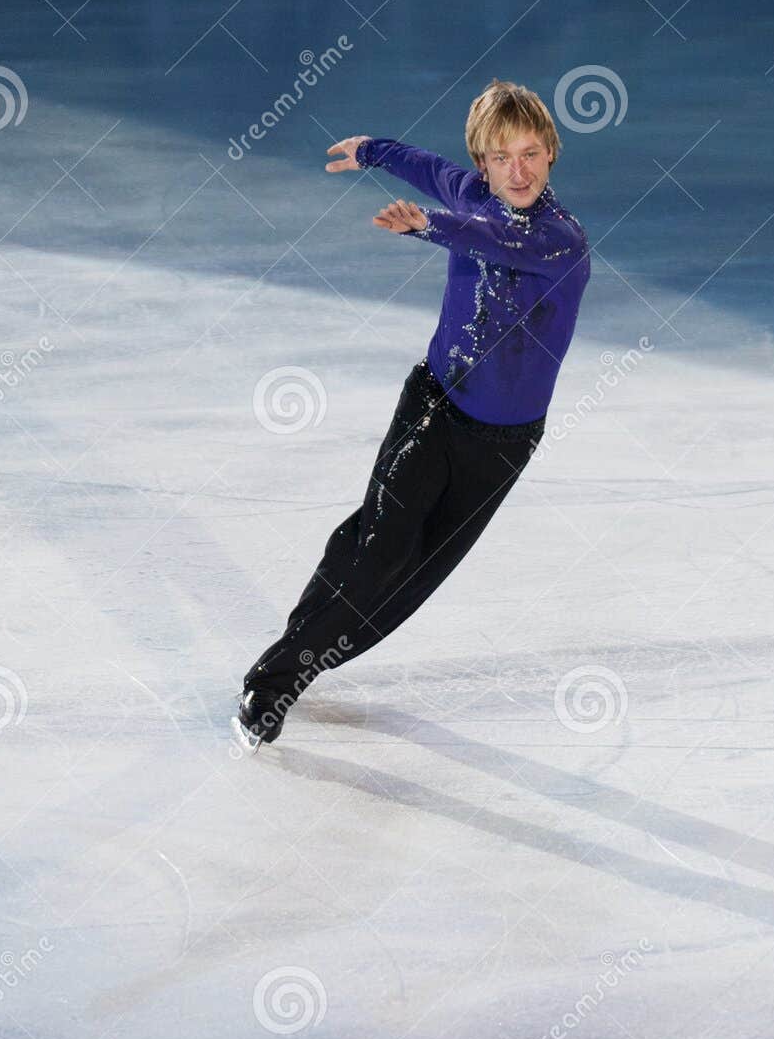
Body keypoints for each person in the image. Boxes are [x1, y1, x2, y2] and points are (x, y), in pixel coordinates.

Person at [234, 78, 591, 752]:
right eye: (499, 157)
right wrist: (373, 150)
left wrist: (428, 225)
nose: (516, 171)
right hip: (432, 406)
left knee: (407, 579)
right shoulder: (474, 195)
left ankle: (306, 643)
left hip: (501, 445)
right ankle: (277, 678)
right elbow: (432, 171)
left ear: (551, 153)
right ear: (483, 162)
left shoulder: (560, 241)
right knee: (378, 550)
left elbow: (496, 241)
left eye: (530, 154)